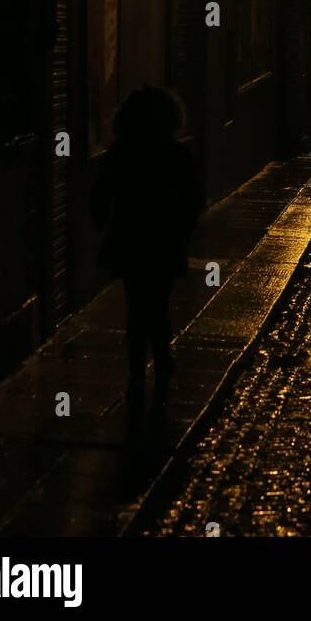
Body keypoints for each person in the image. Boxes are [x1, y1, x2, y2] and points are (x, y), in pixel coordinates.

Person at [90, 86, 203, 426]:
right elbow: (195, 198)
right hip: (163, 239)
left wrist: (101, 218)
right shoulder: (175, 152)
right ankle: (162, 356)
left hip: (130, 238)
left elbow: (101, 193)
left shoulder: (120, 151)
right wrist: (183, 227)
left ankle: (138, 368)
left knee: (137, 304)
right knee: (158, 301)